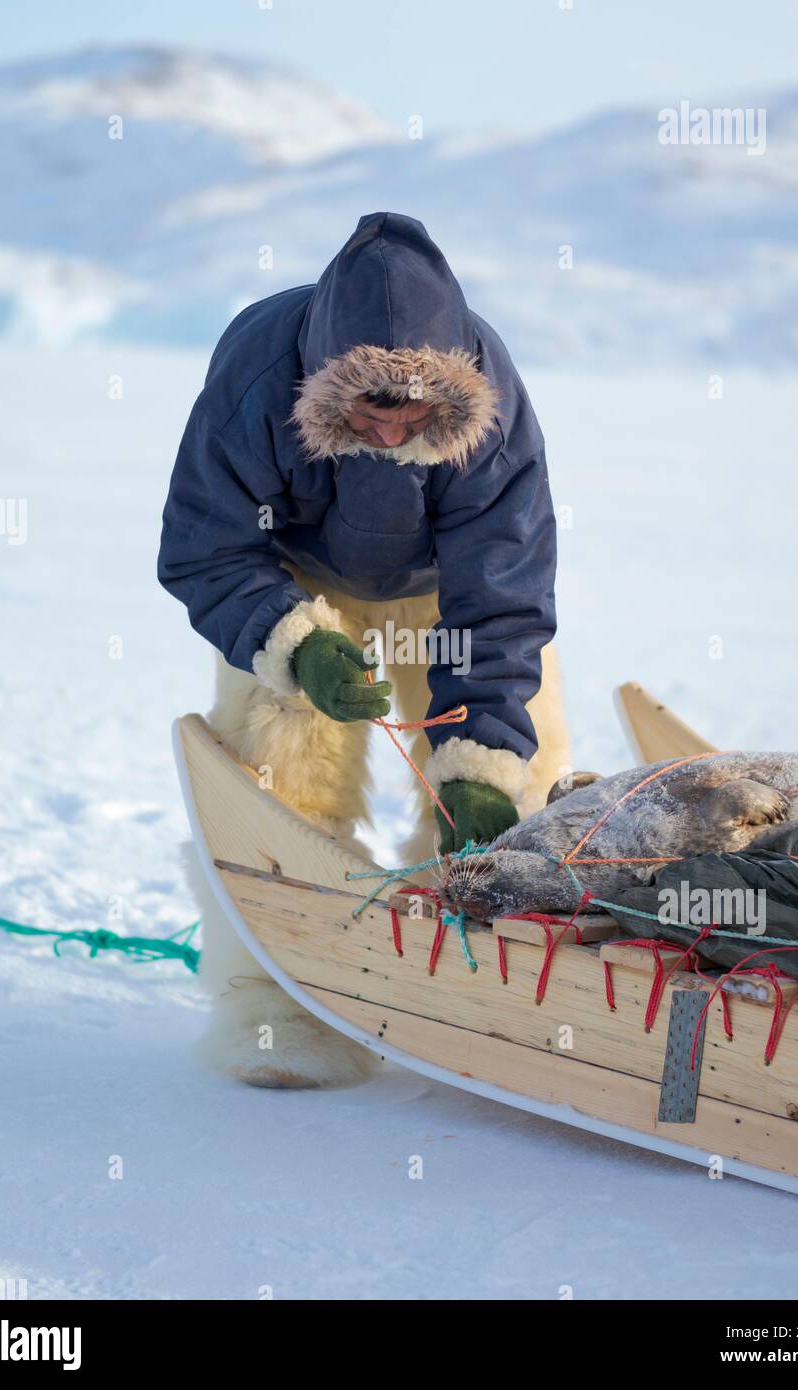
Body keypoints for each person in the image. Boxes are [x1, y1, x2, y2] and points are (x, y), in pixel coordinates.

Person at [159, 212, 570, 1086]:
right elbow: (204, 543)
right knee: (275, 780)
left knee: (510, 791)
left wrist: (482, 752)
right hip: (292, 581)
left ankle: (494, 997)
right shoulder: (257, 377)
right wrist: (293, 643)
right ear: (319, 380)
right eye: (369, 405)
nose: (391, 431)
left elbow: (501, 588)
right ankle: (279, 1005)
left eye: (414, 408)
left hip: (440, 587)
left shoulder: (492, 410)